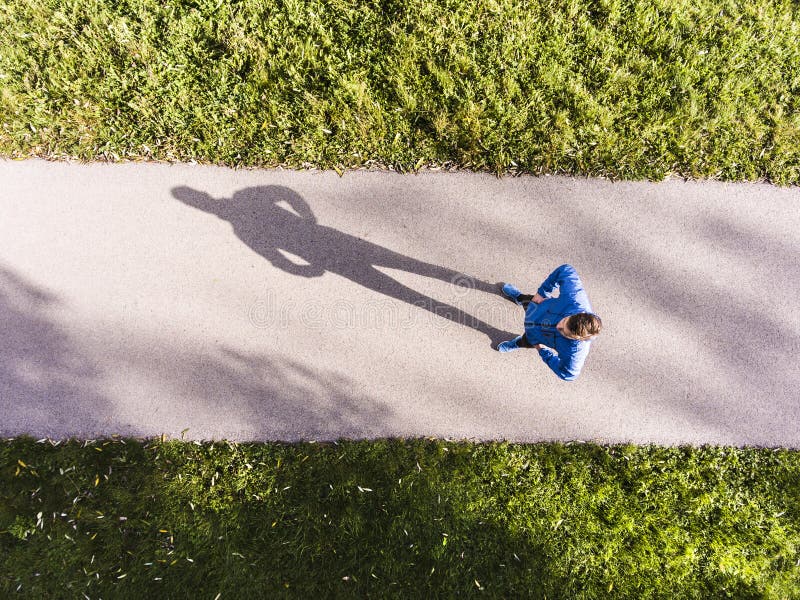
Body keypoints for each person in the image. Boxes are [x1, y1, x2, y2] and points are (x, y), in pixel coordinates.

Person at [498, 264, 602, 381]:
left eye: (563, 332)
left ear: (576, 338)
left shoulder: (575, 352)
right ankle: (519, 297)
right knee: (526, 299)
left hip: (537, 338)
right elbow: (566, 270)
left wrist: (543, 351)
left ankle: (516, 343)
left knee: (526, 341)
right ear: (576, 314)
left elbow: (568, 374)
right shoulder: (576, 299)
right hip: (537, 306)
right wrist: (542, 293)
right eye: (564, 321)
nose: (558, 326)